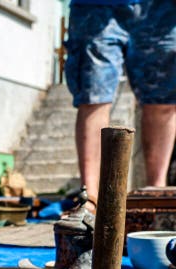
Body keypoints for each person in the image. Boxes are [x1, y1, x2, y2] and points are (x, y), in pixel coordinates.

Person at [65, 0, 176, 205]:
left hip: (162, 9)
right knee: (94, 97)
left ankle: (156, 196)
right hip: (97, 6)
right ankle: (89, 199)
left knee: (163, 101)